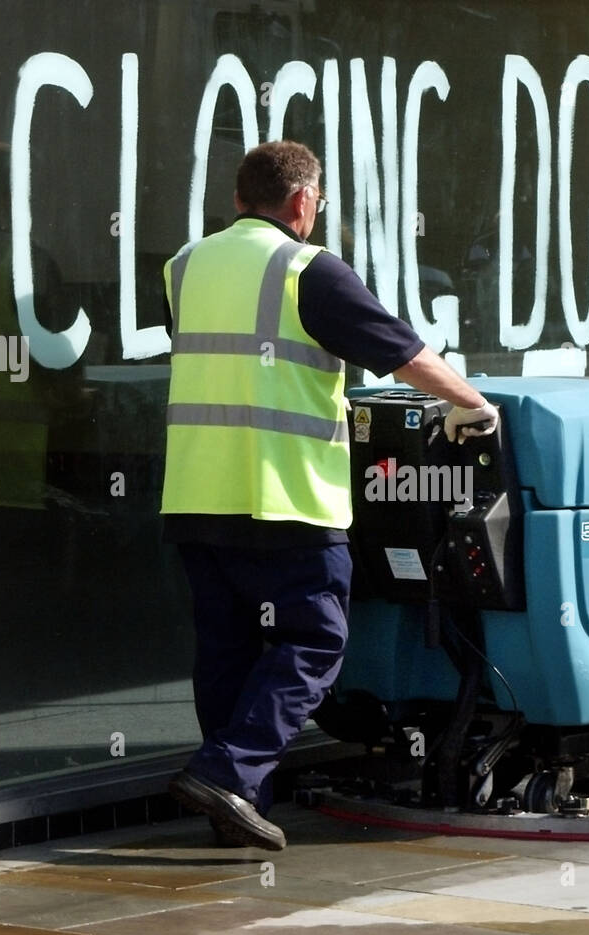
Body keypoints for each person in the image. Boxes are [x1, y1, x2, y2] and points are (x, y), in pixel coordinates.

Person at [161, 140, 498, 850]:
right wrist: (472, 404)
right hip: (284, 495)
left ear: (236, 199)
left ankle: (236, 798)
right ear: (303, 203)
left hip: (196, 493)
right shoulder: (306, 270)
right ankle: (228, 772)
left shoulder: (183, 266)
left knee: (226, 649)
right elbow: (403, 354)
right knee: (315, 640)